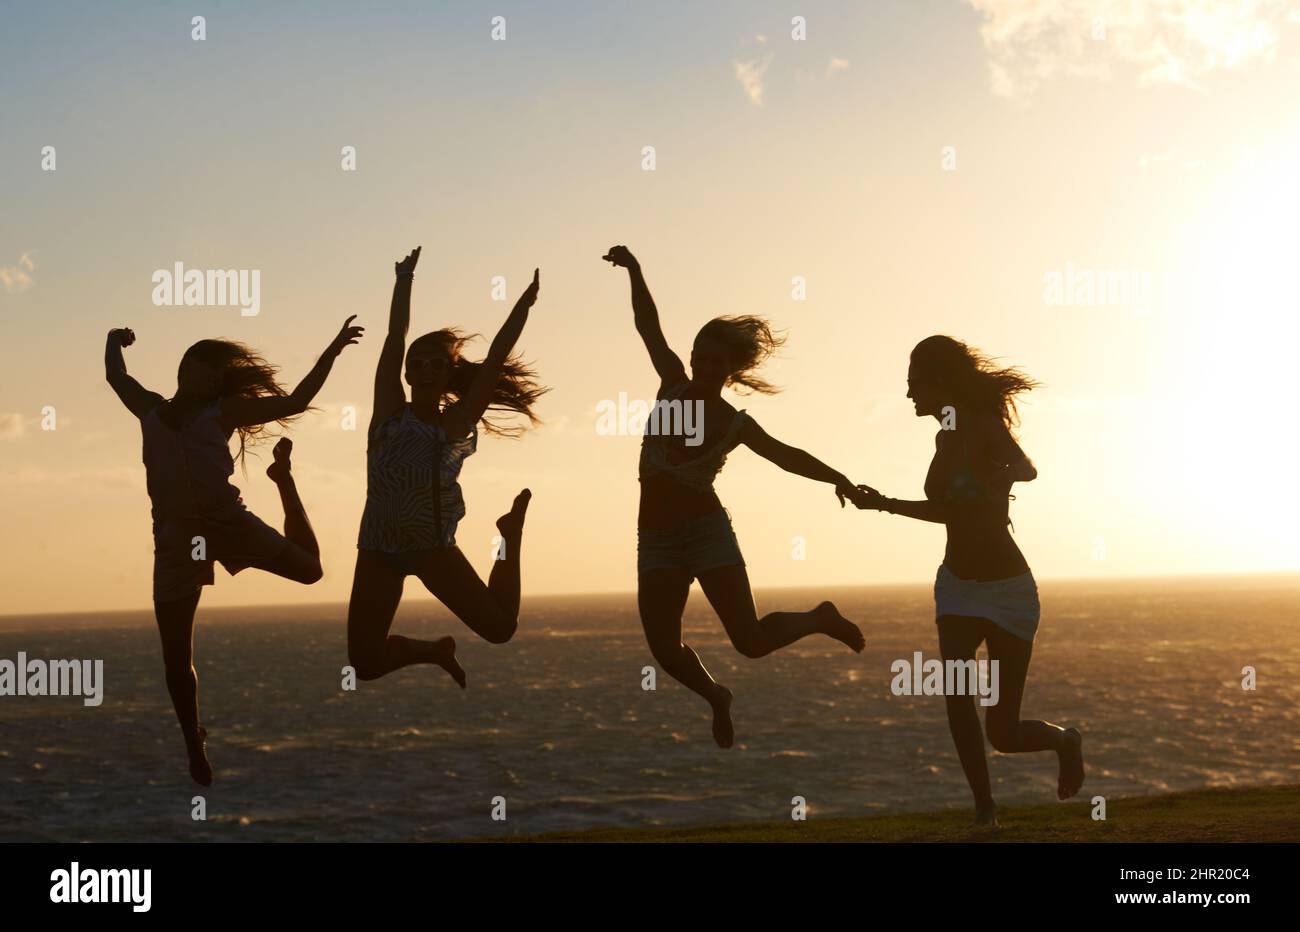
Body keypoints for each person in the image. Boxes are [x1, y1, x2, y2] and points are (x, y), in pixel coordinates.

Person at [603, 244, 867, 749]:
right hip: (655, 538)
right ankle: (716, 696)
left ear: (731, 369)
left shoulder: (735, 424)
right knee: (663, 647)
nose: (702, 364)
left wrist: (839, 478)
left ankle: (819, 618)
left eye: (714, 360)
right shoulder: (671, 386)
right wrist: (635, 270)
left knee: (749, 642)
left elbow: (787, 456)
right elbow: (647, 326)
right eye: (699, 354)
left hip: (706, 534)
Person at [106, 317, 363, 784]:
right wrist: (112, 341)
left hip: (229, 522)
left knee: (311, 572)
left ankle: (284, 482)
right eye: (207, 372)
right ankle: (193, 742)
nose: (212, 382)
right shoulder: (149, 409)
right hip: (175, 541)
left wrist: (334, 348)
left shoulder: (223, 412)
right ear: (185, 368)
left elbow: (296, 401)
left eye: (219, 378)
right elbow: (116, 377)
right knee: (175, 654)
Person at [849, 335, 1084, 825]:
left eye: (915, 381)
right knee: (958, 701)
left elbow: (1027, 468)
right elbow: (948, 513)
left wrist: (997, 481)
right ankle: (985, 810)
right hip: (957, 585)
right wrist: (883, 503)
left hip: (1008, 591)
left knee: (1003, 732)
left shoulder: (980, 426)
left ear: (940, 383)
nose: (909, 392)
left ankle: (1064, 741)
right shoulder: (943, 437)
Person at [346, 247, 545, 692]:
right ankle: (432, 651)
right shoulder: (387, 414)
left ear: (449, 373)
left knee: (500, 629)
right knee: (363, 661)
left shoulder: (452, 425)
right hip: (377, 546)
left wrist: (524, 305)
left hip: (430, 546)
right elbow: (394, 337)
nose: (423, 369)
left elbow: (495, 359)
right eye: (416, 364)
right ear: (408, 373)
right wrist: (403, 279)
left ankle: (509, 537)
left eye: (437, 363)